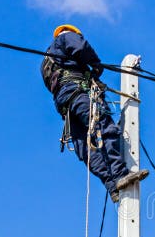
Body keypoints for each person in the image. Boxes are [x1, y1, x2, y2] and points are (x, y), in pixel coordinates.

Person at [41, 24, 147, 202]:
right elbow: (81, 47)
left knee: (85, 147)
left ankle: (112, 185)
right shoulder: (65, 37)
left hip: (65, 105)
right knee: (104, 127)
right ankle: (120, 174)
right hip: (78, 93)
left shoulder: (47, 62)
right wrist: (96, 67)